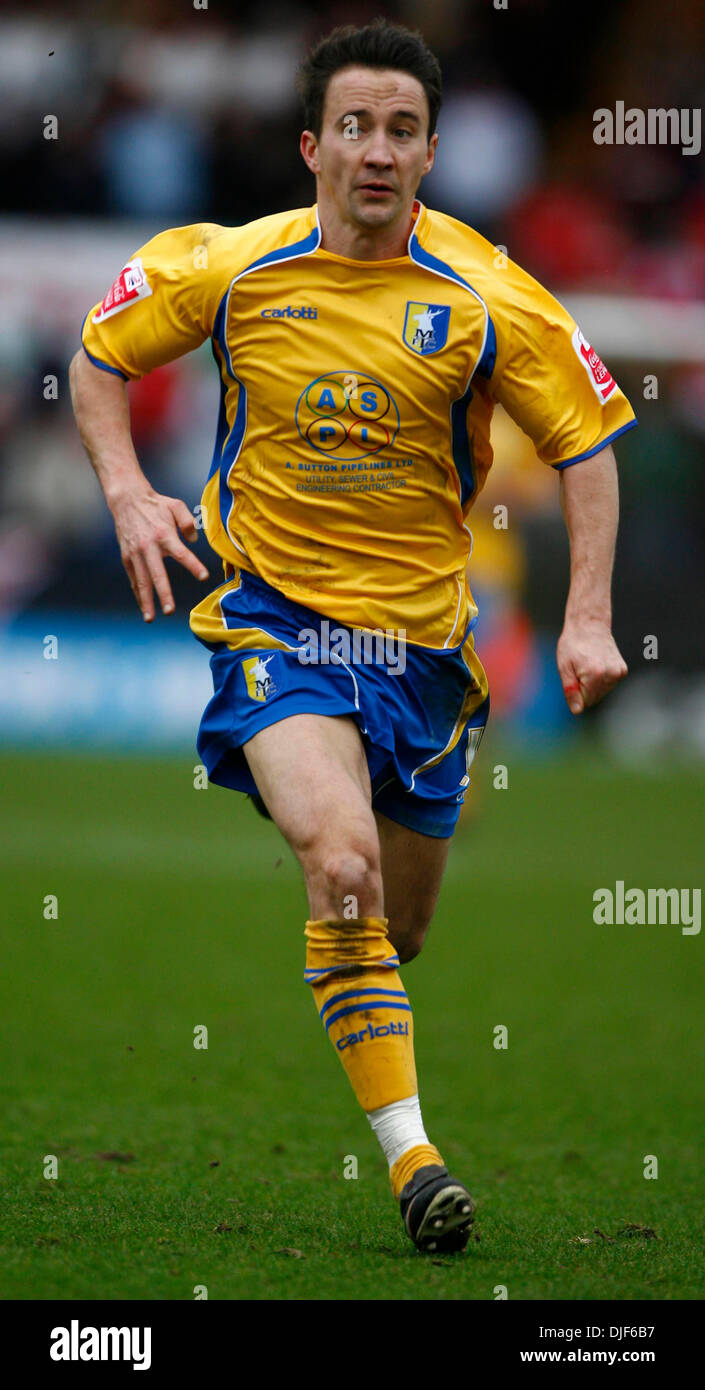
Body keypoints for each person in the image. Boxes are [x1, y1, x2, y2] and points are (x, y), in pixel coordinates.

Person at [69, 19, 635, 1254]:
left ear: (431, 154)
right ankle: (416, 1162)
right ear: (314, 143)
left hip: (426, 654)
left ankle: (363, 971)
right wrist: (126, 491)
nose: (377, 151)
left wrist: (587, 614)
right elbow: (100, 357)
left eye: (403, 131)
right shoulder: (234, 264)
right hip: (272, 621)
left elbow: (590, 439)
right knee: (339, 865)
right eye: (356, 127)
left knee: (401, 927)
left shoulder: (487, 293)